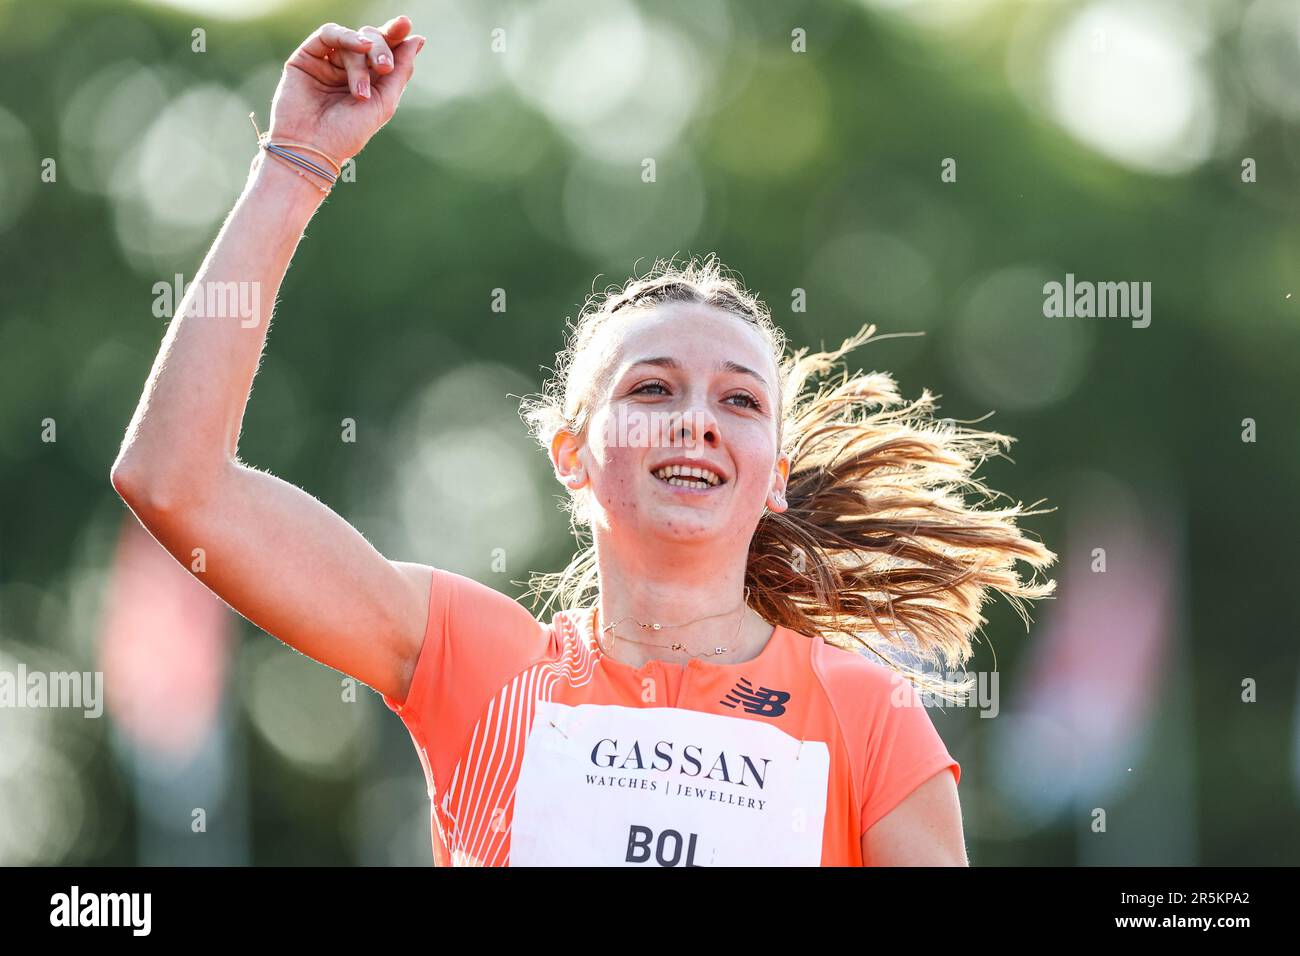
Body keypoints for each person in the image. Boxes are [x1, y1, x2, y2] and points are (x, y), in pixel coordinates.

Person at [110, 15, 1055, 867]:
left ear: (774, 475)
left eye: (740, 401)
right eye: (652, 388)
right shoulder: (483, 663)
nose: (697, 420)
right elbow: (174, 482)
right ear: (571, 455)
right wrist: (294, 163)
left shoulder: (865, 711)